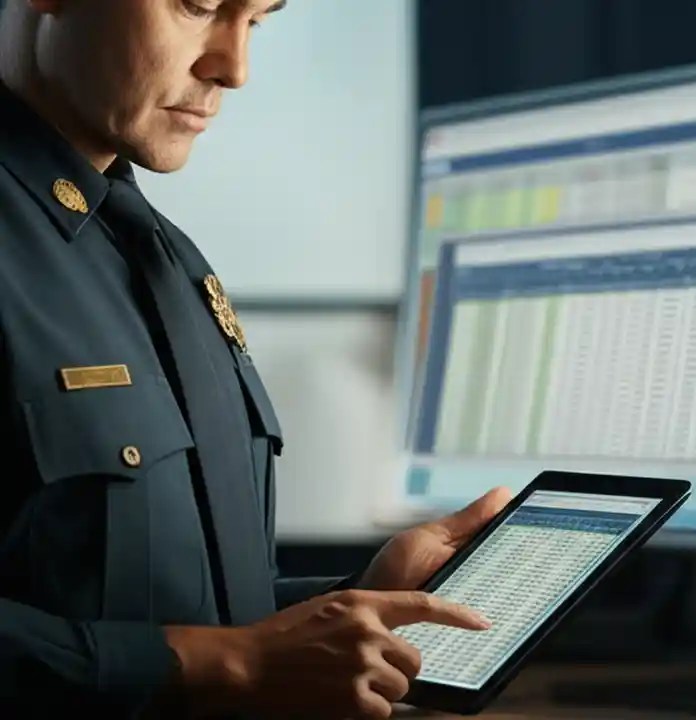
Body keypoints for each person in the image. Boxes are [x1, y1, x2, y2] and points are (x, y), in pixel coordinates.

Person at [0, 1, 513, 717]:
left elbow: (170, 608)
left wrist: (359, 597)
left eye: (257, 21)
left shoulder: (165, 258)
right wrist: (229, 666)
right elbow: (211, 657)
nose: (233, 68)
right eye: (199, 7)